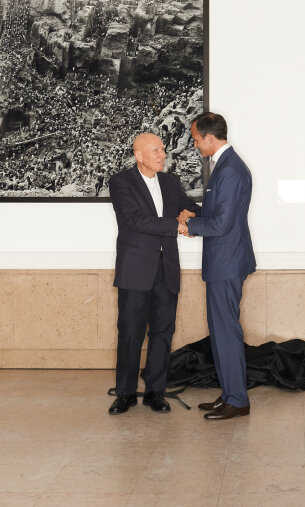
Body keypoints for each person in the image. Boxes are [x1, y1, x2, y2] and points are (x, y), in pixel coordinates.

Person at [108, 132, 201, 415]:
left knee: (163, 332)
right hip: (135, 270)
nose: (163, 154)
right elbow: (135, 220)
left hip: (167, 269)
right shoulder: (121, 181)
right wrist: (176, 225)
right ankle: (125, 393)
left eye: (163, 149)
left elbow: (189, 207)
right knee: (130, 333)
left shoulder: (171, 182)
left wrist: (190, 216)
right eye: (156, 150)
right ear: (139, 155)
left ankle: (155, 392)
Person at [178, 113, 256, 420]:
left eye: (197, 139)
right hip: (223, 262)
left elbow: (222, 224)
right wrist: (194, 213)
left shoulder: (231, 170)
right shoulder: (225, 166)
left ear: (211, 138)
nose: (195, 144)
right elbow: (222, 213)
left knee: (226, 333)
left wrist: (189, 227)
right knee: (221, 332)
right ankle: (229, 395)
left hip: (227, 263)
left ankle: (237, 400)